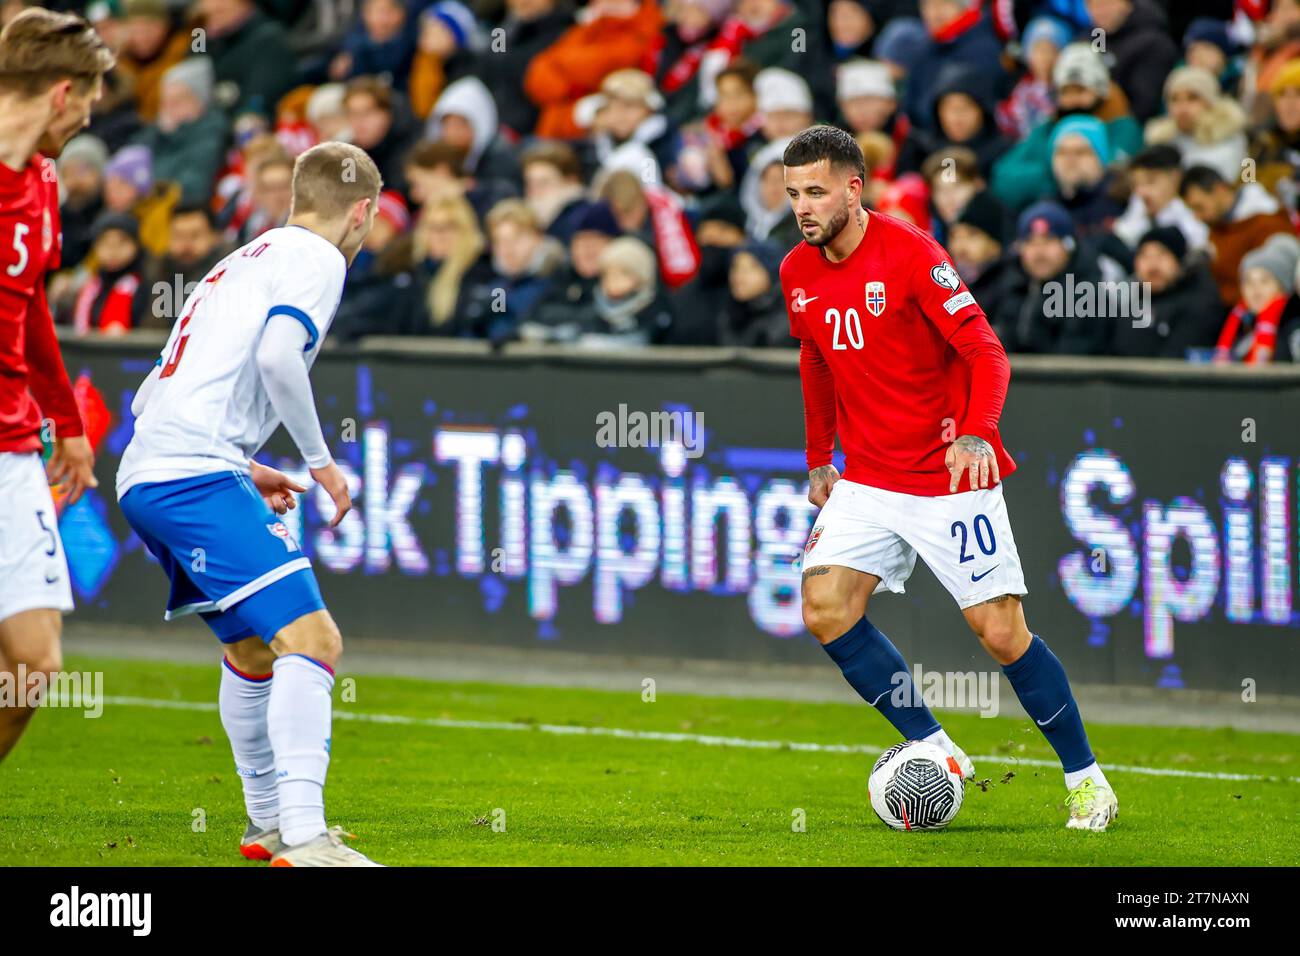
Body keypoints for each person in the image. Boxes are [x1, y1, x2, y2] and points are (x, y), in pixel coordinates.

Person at [780, 125, 1117, 829]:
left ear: (853, 188)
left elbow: (987, 353)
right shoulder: (797, 272)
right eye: (792, 194)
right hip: (869, 478)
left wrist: (977, 432)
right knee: (824, 609)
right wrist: (820, 455)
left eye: (815, 191)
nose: (803, 207)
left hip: (947, 474)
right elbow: (814, 357)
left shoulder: (910, 254)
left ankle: (1088, 781)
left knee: (999, 632)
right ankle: (937, 749)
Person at [116, 141, 385, 866]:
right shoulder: (319, 260)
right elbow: (276, 359)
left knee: (252, 648)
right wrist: (321, 464)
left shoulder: (246, 257)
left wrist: (243, 462)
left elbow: (150, 393)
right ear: (362, 212)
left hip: (150, 474)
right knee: (315, 639)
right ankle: (304, 835)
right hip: (191, 475)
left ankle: (268, 822)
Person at [0, 7, 110, 764]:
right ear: (63, 94)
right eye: (91, 105)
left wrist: (65, 421)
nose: (86, 124)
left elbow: (33, 303)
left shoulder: (41, 183)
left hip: (10, 447)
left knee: (34, 669)